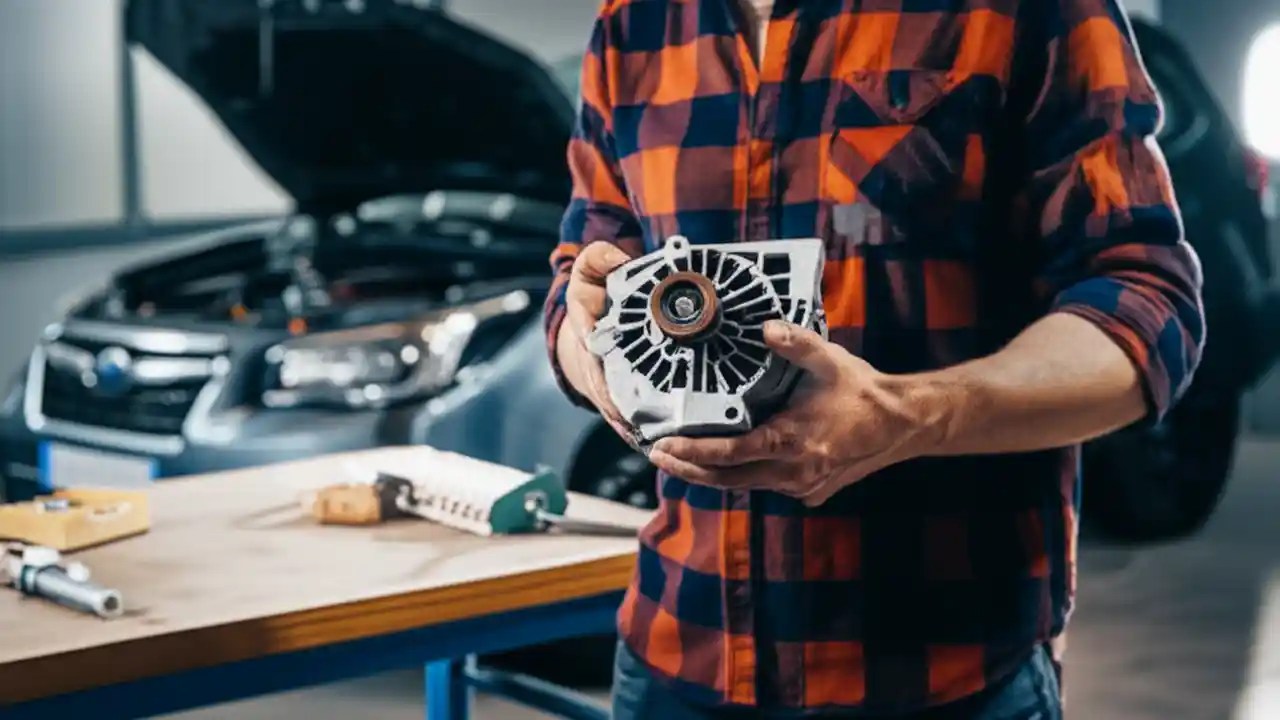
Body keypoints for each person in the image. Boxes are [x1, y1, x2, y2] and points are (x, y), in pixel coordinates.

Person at [544, 0, 1204, 717]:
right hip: (678, 648)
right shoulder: (632, 24)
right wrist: (590, 353)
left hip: (945, 668)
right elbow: (580, 278)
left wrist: (908, 416)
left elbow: (1146, 306)